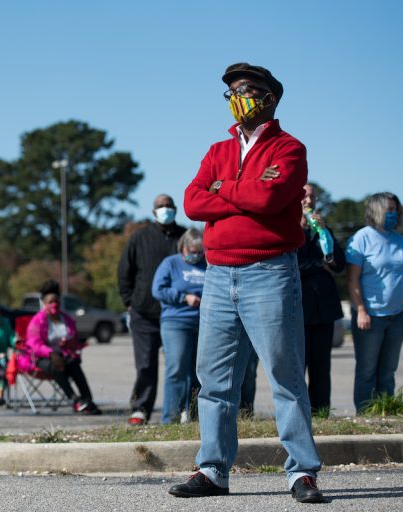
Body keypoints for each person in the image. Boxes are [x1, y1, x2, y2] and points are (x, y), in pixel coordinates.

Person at [170, 63, 323, 503]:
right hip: (219, 275)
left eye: (247, 90)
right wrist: (241, 188)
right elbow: (193, 202)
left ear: (270, 98)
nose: (238, 98)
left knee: (285, 375)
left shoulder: (289, 148)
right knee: (214, 380)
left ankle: (302, 472)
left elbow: (271, 197)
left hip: (270, 272)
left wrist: (225, 189)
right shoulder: (217, 149)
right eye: (232, 92)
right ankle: (213, 469)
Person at [117, 194, 186, 425]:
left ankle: (182, 410)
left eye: (169, 205)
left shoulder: (184, 237)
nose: (165, 209)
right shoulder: (140, 237)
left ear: (175, 209)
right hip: (144, 314)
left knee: (179, 364)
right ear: (153, 211)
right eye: (161, 206)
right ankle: (140, 408)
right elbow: (124, 271)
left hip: (176, 313)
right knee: (145, 364)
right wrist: (129, 301)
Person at [346, 192, 403, 414]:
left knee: (388, 370)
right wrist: (362, 310)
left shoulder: (400, 240)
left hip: (396, 316)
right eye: (389, 210)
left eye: (396, 210)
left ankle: (387, 412)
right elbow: (352, 280)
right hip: (370, 317)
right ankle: (365, 415)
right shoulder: (361, 238)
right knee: (367, 371)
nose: (394, 214)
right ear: (376, 210)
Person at [298, 184, 346, 413]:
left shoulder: (322, 230)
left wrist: (324, 232)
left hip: (323, 310)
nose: (308, 200)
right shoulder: (287, 229)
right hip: (298, 310)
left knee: (321, 367)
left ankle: (320, 412)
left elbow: (338, 264)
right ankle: (299, 415)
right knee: (298, 367)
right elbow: (292, 266)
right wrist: (319, 265)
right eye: (304, 196)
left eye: (312, 197)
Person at [151, 228, 206, 424]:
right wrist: (183, 298)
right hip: (176, 322)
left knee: (200, 373)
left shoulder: (207, 263)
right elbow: (158, 289)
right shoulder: (171, 263)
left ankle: (197, 417)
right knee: (177, 370)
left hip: (203, 324)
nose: (197, 255)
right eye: (193, 250)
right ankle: (170, 419)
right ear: (183, 248)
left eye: (200, 251)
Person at [23, 280, 101, 415]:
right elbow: (34, 344)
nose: (54, 305)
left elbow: (74, 339)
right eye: (51, 302)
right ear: (44, 304)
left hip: (64, 354)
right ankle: (74, 400)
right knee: (56, 365)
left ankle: (87, 400)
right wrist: (51, 352)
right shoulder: (37, 320)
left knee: (74, 364)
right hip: (42, 358)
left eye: (57, 302)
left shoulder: (66, 319)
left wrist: (68, 343)